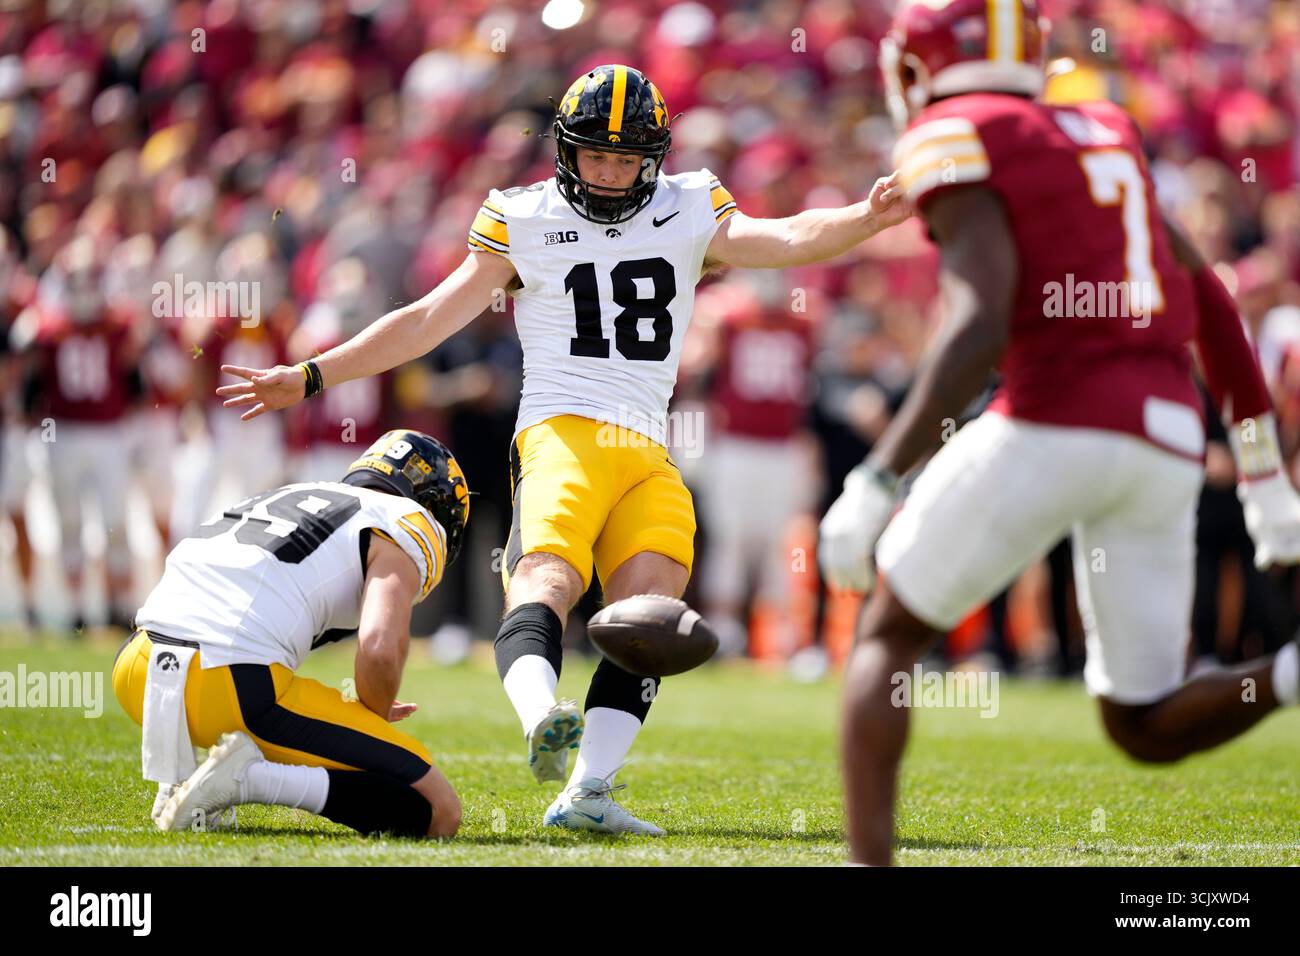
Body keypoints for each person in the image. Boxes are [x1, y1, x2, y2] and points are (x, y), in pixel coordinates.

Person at [216, 64, 910, 835]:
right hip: (561, 432)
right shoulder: (521, 216)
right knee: (545, 581)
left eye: (625, 158)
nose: (609, 173)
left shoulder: (689, 203)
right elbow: (426, 318)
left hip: (648, 446)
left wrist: (865, 217)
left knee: (649, 612)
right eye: (595, 156)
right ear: (564, 151)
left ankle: (589, 788)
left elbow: (778, 239)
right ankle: (541, 712)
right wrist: (313, 374)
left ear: (654, 157)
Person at [819, 0, 1300, 866]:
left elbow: (977, 323)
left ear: (921, 62)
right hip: (1166, 441)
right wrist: (1267, 483)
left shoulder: (955, 129)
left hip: (1053, 417)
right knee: (1143, 724)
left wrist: (878, 476)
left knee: (886, 636)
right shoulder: (1104, 125)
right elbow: (1215, 305)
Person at [112, 429, 469, 839]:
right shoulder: (404, 522)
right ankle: (248, 779)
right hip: (227, 684)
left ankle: (179, 778)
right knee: (437, 811)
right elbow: (379, 648)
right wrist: (371, 722)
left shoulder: (297, 492)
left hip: (137, 671)